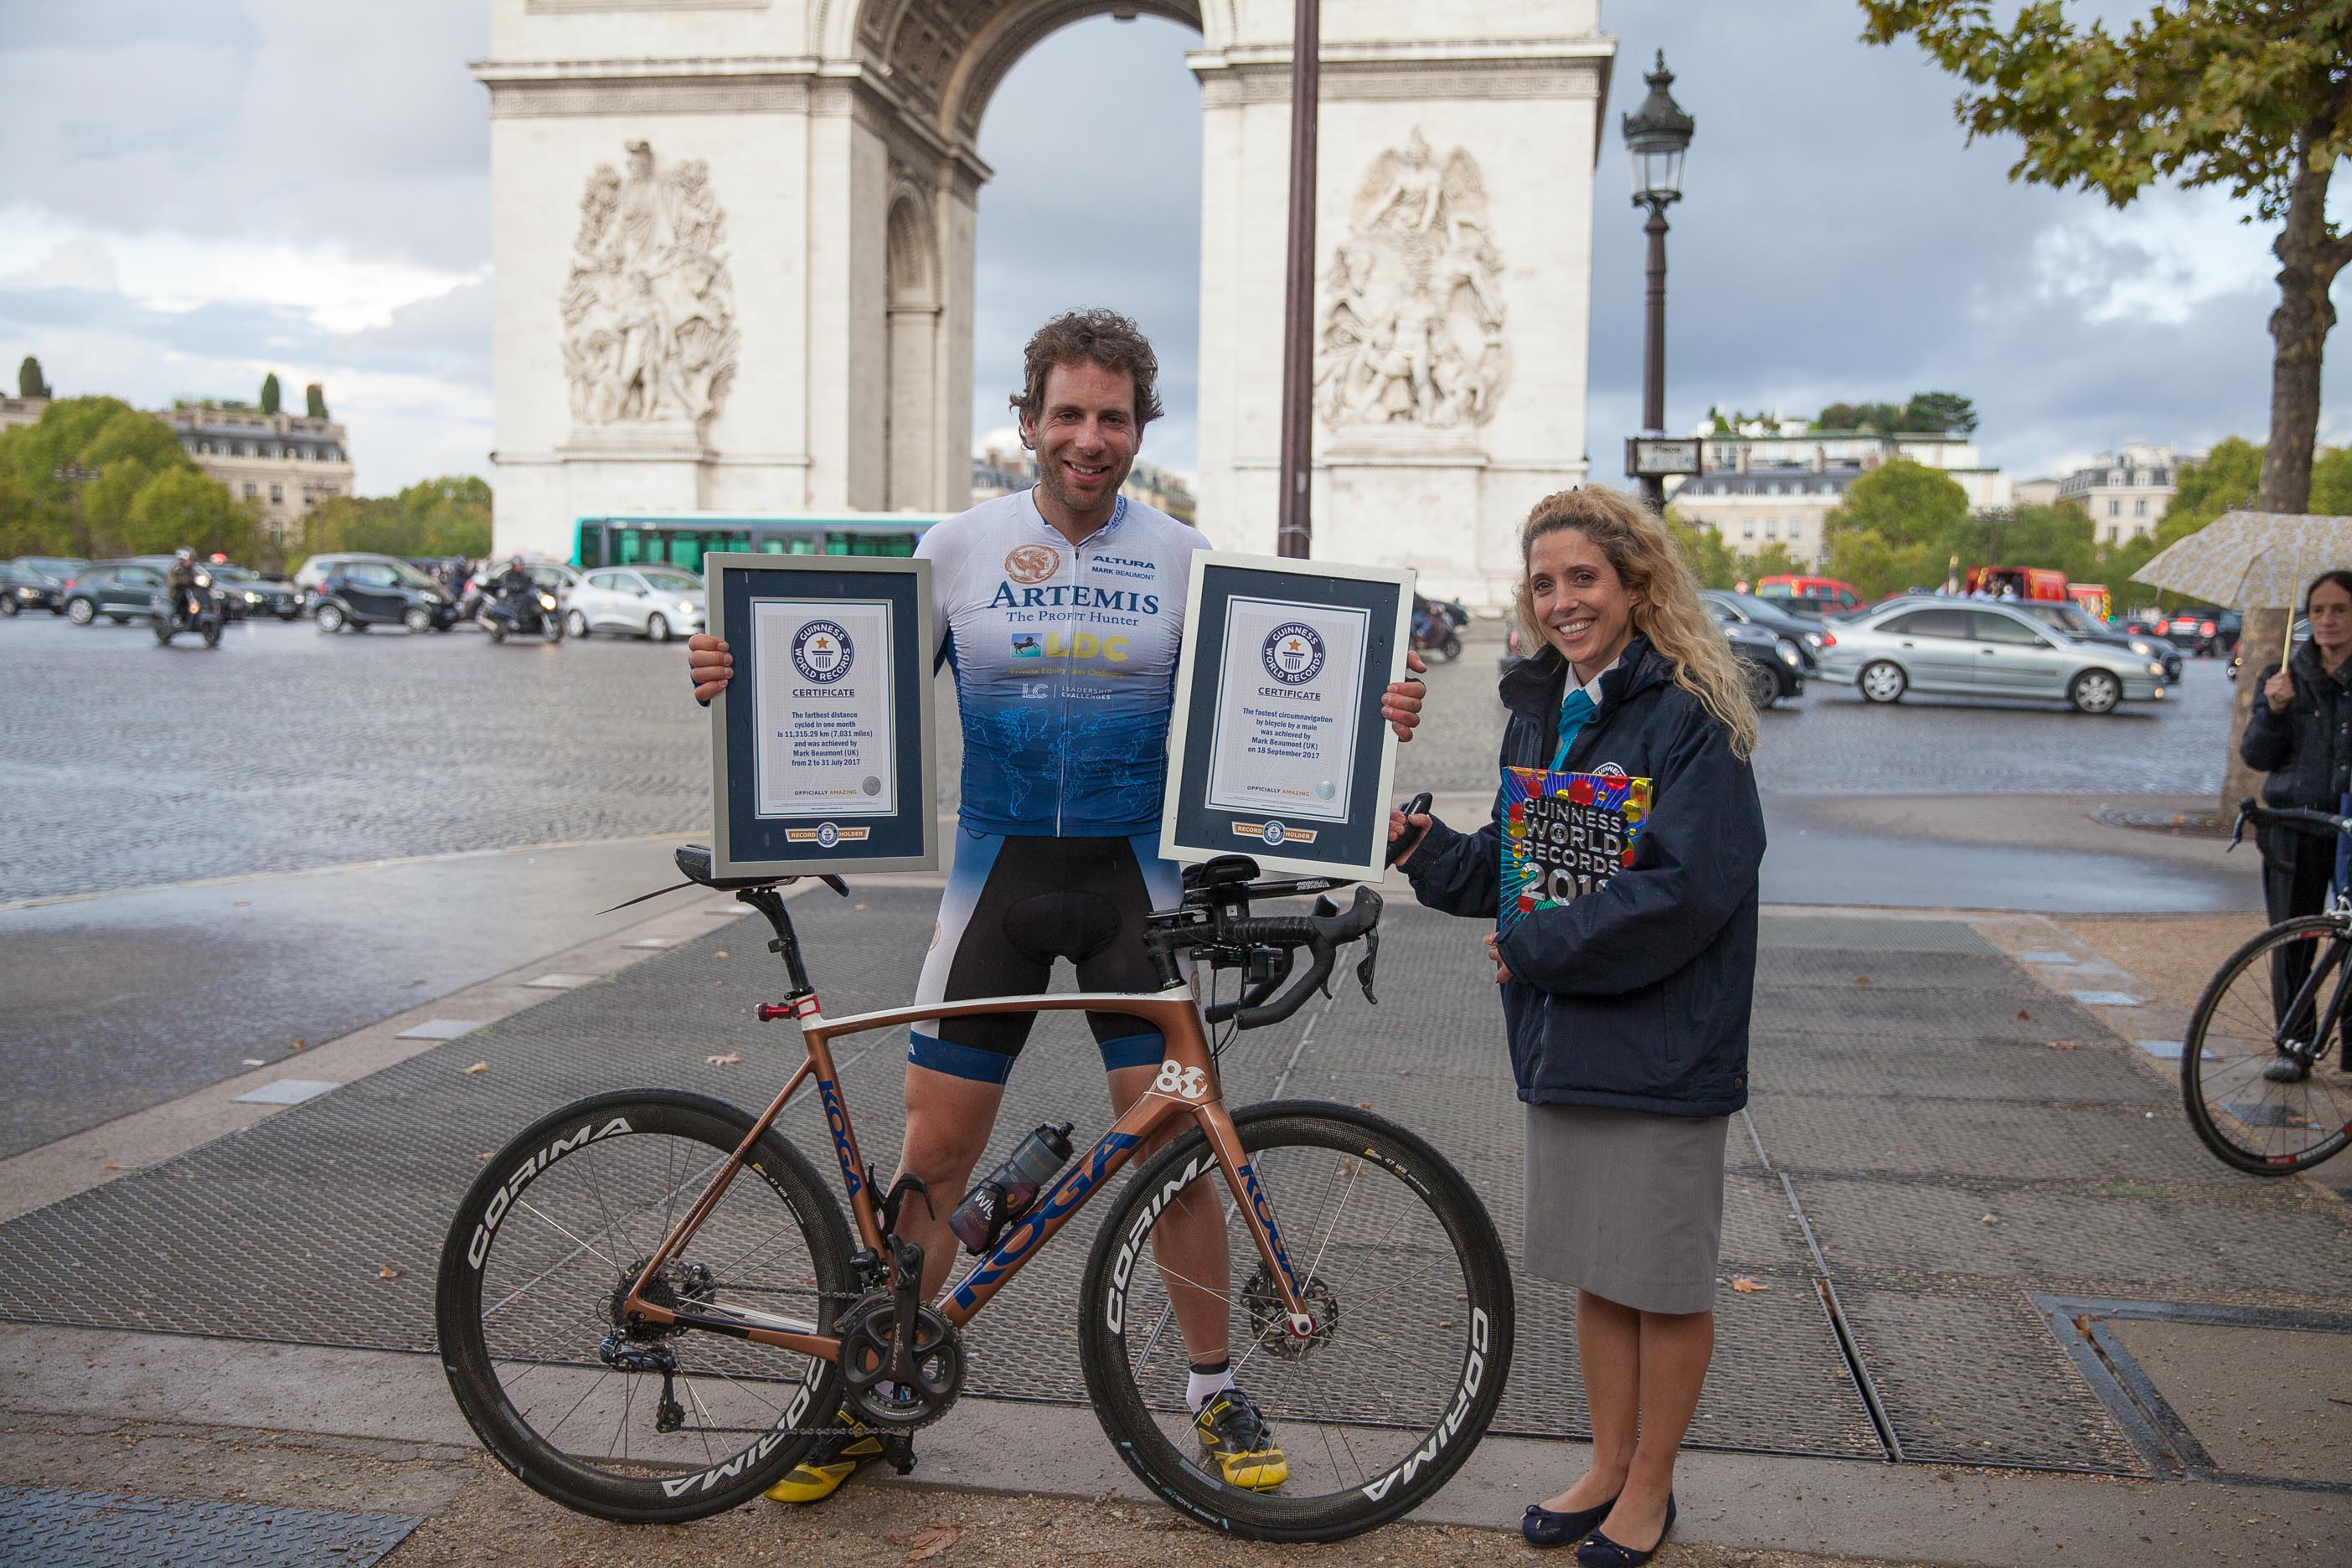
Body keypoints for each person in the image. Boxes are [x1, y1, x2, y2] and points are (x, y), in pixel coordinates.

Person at [686, 309, 1426, 1504]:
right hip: (999, 885)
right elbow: (842, 683)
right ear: (1027, 422)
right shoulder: (958, 547)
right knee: (937, 1148)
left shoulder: (1188, 561)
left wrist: (1367, 721)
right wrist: (737, 678)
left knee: (1178, 1153)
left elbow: (1271, 717)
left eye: (1114, 417)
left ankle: (1211, 1390)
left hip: (1140, 889)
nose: (1090, 438)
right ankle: (872, 1392)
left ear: (1141, 429)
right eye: (1068, 414)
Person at [1388, 485, 1762, 1565]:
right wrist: (1424, 850)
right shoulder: (1542, 706)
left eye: (1584, 579)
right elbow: (1521, 876)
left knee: (1665, 1279)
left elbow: (1689, 892)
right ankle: (1604, 1463)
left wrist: (1534, 947)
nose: (1563, 601)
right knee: (1600, 1267)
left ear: (1638, 584)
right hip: (1564, 1036)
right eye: (1545, 582)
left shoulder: (1693, 712)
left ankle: (1651, 1488)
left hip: (1663, 1043)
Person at [2240, 570, 2352, 1082]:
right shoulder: (2282, 674)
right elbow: (2259, 756)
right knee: (2292, 941)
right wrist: (2273, 709)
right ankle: (2294, 1042)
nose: (2326, 620)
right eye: (2318, 610)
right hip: (2296, 822)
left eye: (2340, 610)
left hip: (2349, 826)